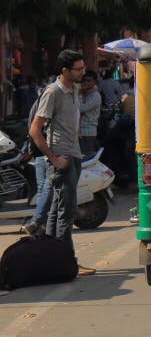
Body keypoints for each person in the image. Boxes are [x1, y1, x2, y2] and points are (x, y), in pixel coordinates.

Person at [27, 49, 95, 275]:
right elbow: (35, 130)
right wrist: (54, 159)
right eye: (78, 69)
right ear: (65, 70)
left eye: (83, 68)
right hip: (61, 157)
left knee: (57, 212)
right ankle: (68, 262)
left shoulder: (73, 90)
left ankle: (55, 261)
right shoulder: (52, 92)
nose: (83, 73)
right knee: (67, 212)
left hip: (73, 154)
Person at [78, 70, 102, 155]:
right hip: (80, 131)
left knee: (86, 157)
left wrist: (80, 94)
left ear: (94, 82)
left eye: (89, 81)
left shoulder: (95, 96)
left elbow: (80, 109)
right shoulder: (85, 93)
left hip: (88, 132)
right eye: (84, 80)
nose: (86, 83)